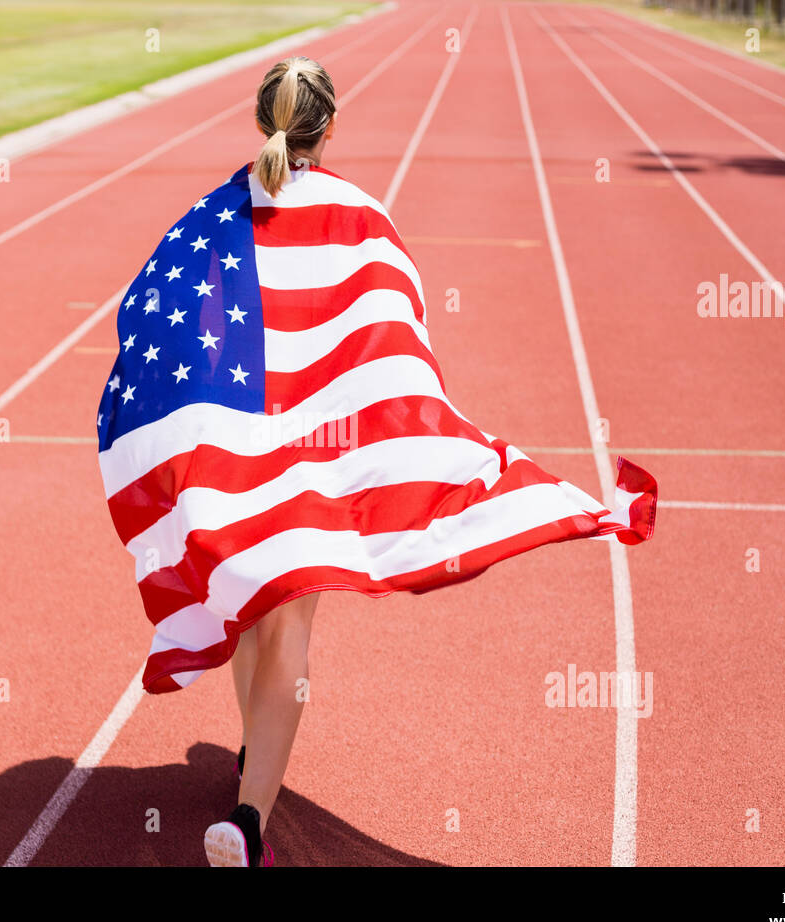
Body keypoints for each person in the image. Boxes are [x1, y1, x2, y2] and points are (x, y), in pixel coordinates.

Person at [95, 56, 656, 868]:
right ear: (330, 124)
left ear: (263, 120)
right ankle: (250, 822)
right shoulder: (360, 215)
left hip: (236, 452)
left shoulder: (208, 216)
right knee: (290, 621)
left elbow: (159, 318)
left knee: (258, 603)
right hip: (320, 458)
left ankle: (255, 763)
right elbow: (396, 336)